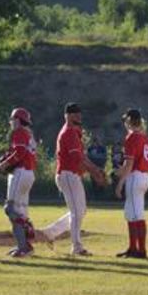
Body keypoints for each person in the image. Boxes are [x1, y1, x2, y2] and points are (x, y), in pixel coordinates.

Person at [39, 103, 108, 256]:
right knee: (77, 212)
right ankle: (76, 247)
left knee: (80, 211)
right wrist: (96, 171)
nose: (78, 115)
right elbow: (79, 158)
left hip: (72, 175)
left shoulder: (75, 132)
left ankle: (49, 233)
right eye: (74, 113)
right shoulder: (69, 132)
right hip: (67, 175)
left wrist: (95, 171)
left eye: (79, 113)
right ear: (67, 115)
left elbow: (81, 158)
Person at [0, 107, 38, 257]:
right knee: (20, 210)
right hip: (28, 173)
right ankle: (25, 245)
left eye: (12, 119)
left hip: (20, 172)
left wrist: (3, 164)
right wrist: (5, 160)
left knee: (10, 209)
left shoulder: (19, 132)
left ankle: (24, 245)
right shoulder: (28, 134)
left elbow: (19, 153)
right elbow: (19, 152)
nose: (10, 122)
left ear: (18, 120)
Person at [114, 108, 148, 258]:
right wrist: (119, 172)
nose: (125, 123)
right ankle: (132, 248)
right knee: (131, 214)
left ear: (129, 121)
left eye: (126, 120)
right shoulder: (144, 137)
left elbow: (129, 165)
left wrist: (119, 183)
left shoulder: (131, 137)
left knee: (137, 215)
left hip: (135, 177)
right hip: (143, 176)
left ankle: (141, 250)